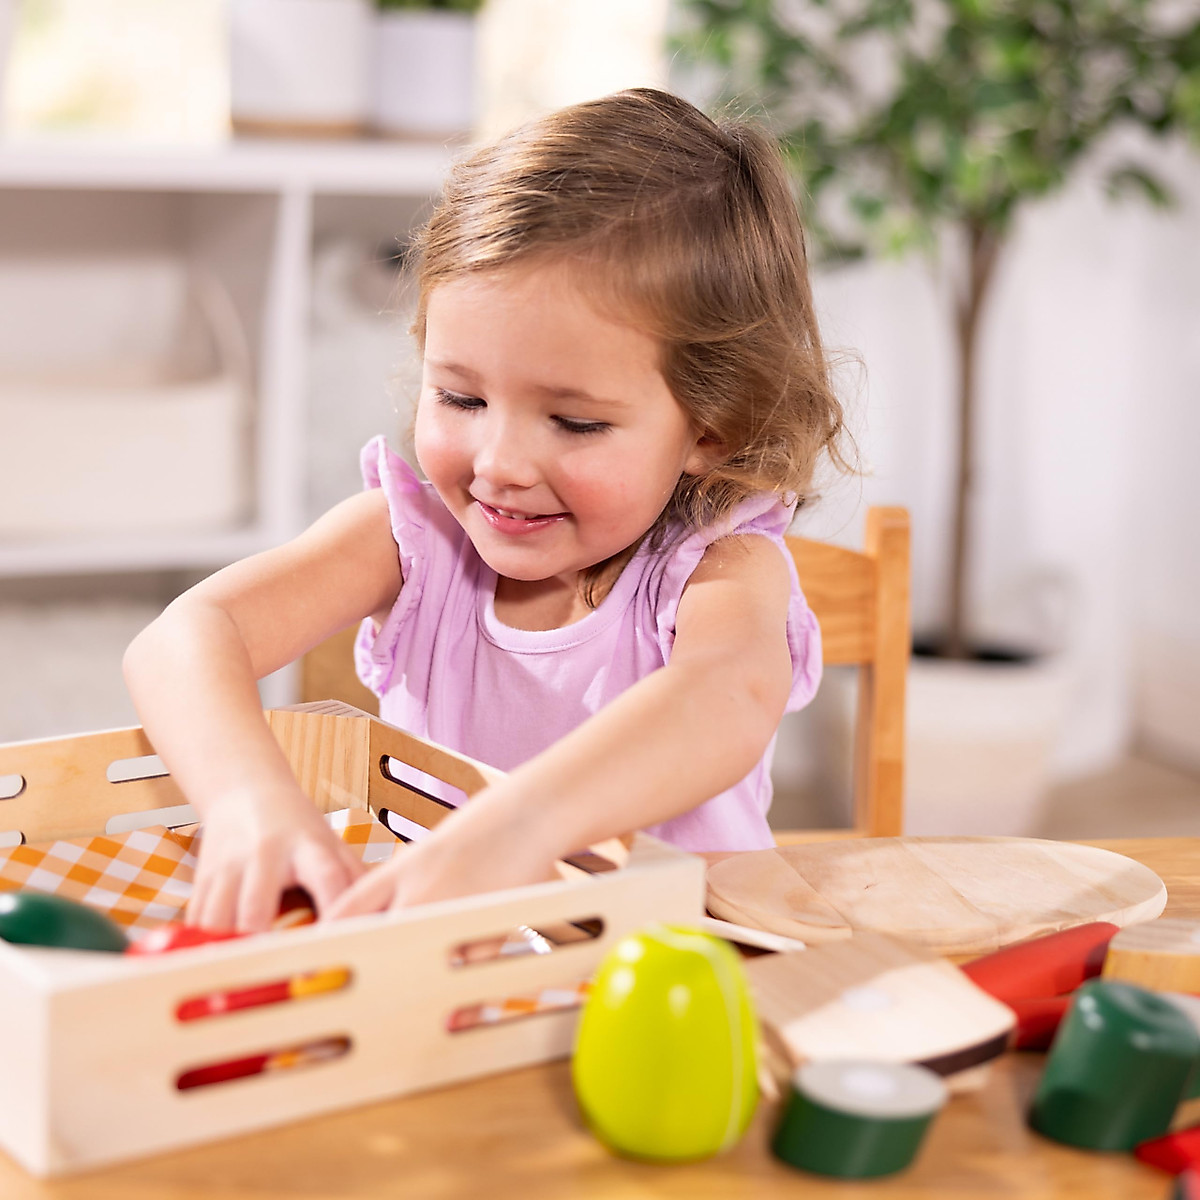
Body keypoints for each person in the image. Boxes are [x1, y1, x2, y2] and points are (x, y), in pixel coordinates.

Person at [123, 87, 849, 932]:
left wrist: (517, 827)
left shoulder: (717, 573)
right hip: (453, 984)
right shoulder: (414, 542)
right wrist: (250, 802)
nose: (499, 465)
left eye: (574, 421)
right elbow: (180, 638)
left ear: (712, 428)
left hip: (682, 986)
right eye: (460, 398)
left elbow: (725, 694)